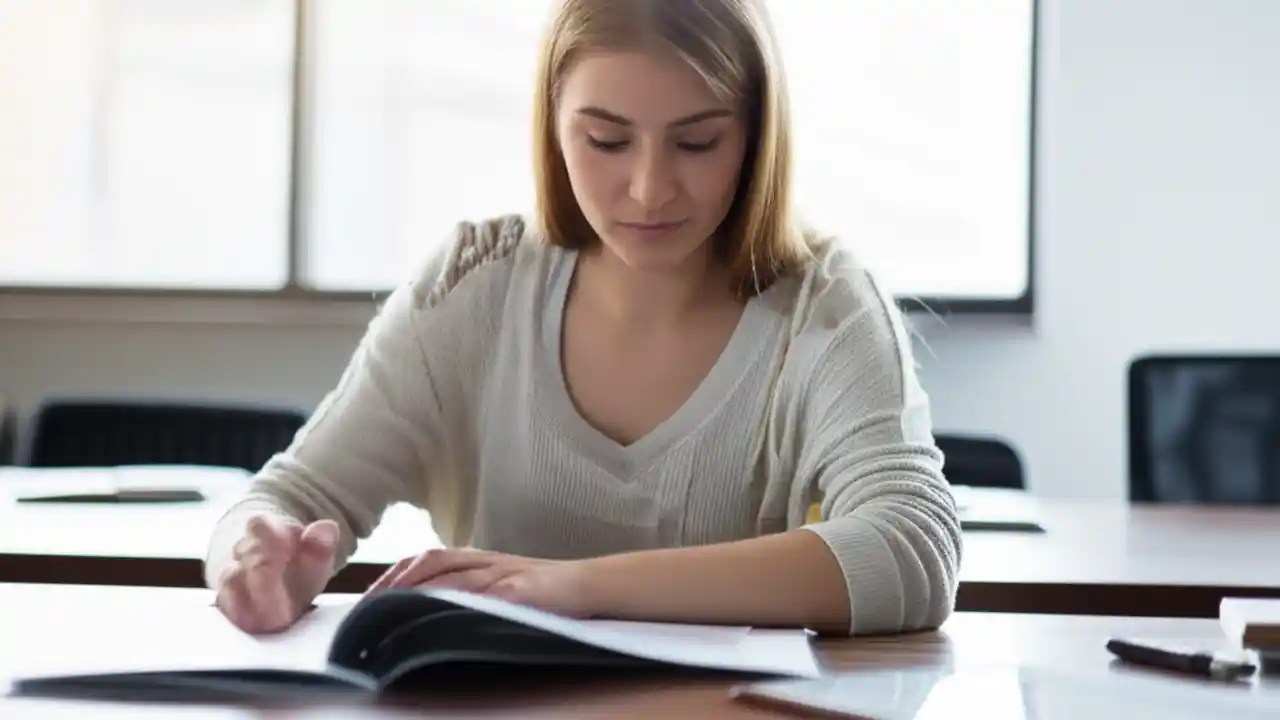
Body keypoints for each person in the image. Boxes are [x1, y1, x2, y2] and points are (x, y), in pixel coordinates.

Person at [206, 0, 960, 637]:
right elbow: (290, 496)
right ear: (553, 125)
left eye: (698, 141)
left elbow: (913, 548)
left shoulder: (823, 308)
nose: (649, 188)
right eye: (606, 140)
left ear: (756, 137)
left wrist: (574, 587)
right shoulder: (474, 286)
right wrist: (251, 557)